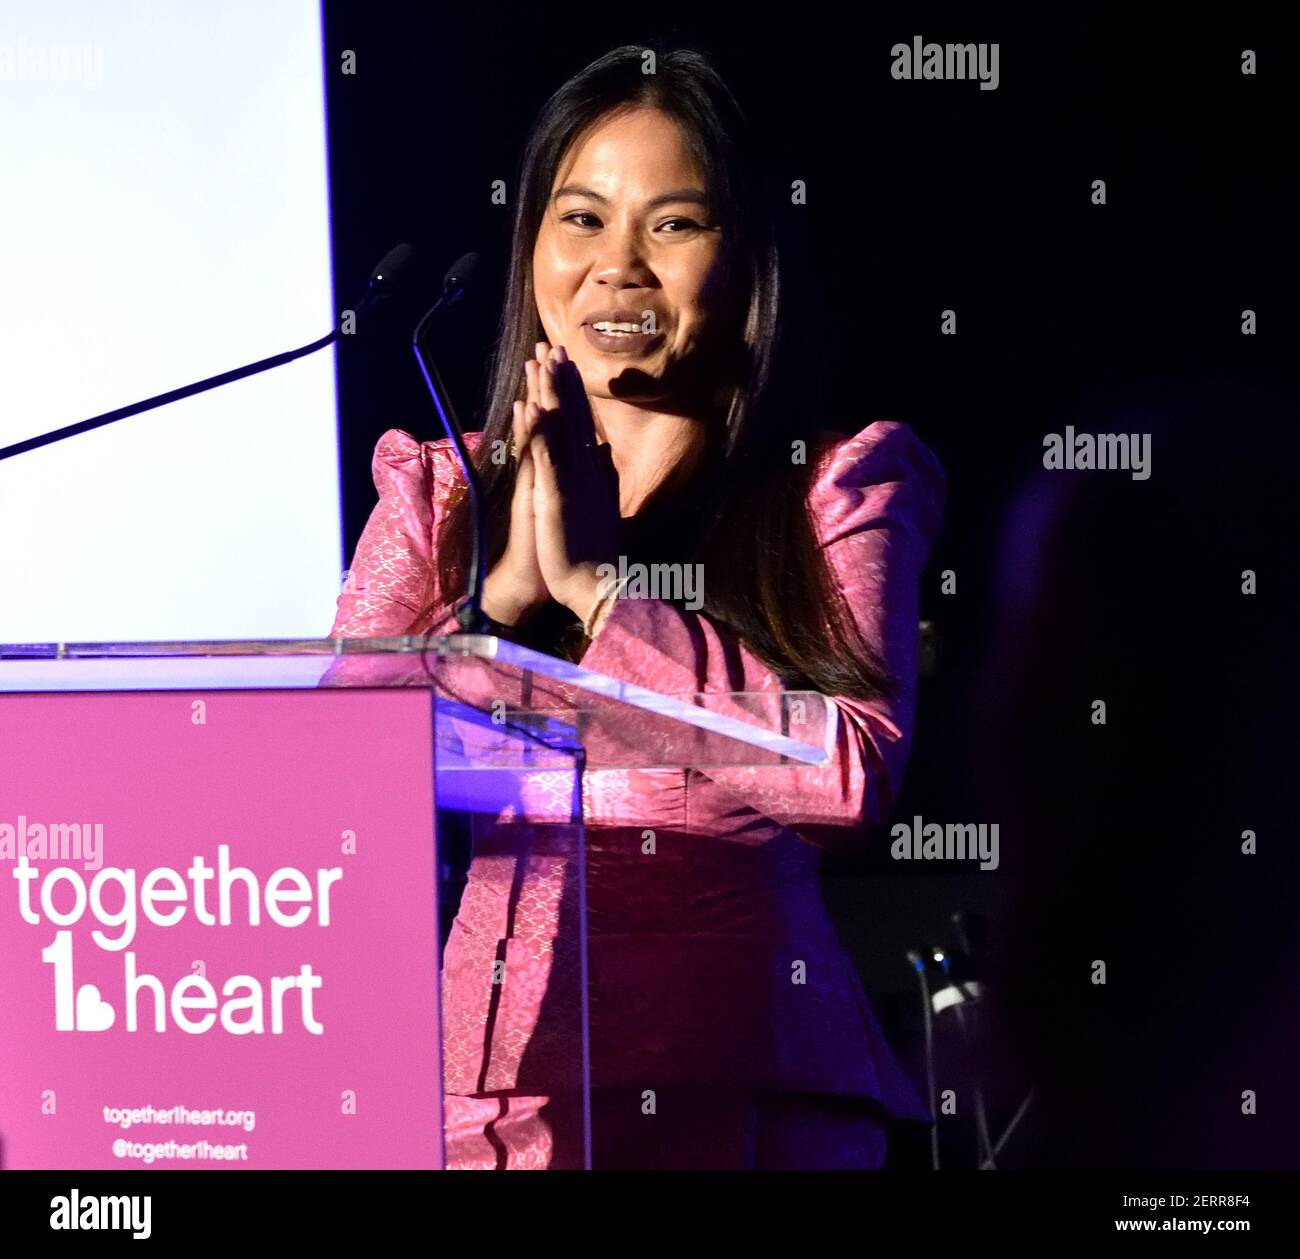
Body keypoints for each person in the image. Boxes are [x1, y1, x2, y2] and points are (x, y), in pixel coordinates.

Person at [329, 45, 946, 1169]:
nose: (616, 268)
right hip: (492, 1101)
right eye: (581, 218)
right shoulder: (434, 490)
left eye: (672, 225)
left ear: (746, 256)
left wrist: (603, 593)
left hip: (748, 1087)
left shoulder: (835, 484)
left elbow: (856, 773)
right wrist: (503, 600)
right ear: (532, 250)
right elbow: (331, 780)